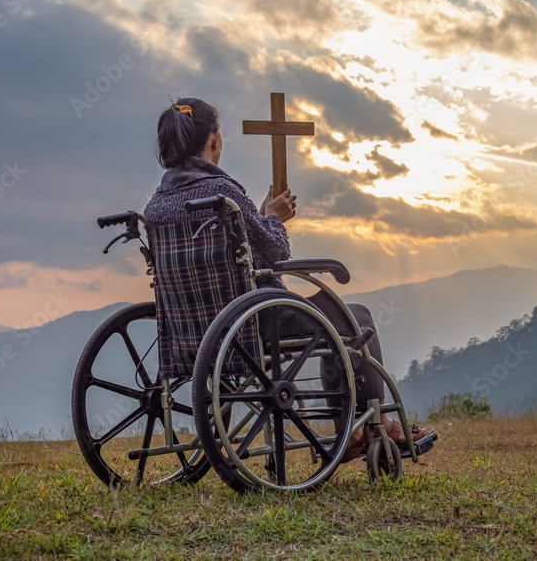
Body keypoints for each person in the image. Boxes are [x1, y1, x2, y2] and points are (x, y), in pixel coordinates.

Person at [142, 98, 431, 459]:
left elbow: (238, 255)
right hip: (255, 321)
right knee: (354, 317)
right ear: (213, 140)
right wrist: (275, 218)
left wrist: (261, 216)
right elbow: (276, 253)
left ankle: (358, 429)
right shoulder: (222, 194)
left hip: (194, 331)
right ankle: (364, 427)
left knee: (335, 320)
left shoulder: (156, 206)